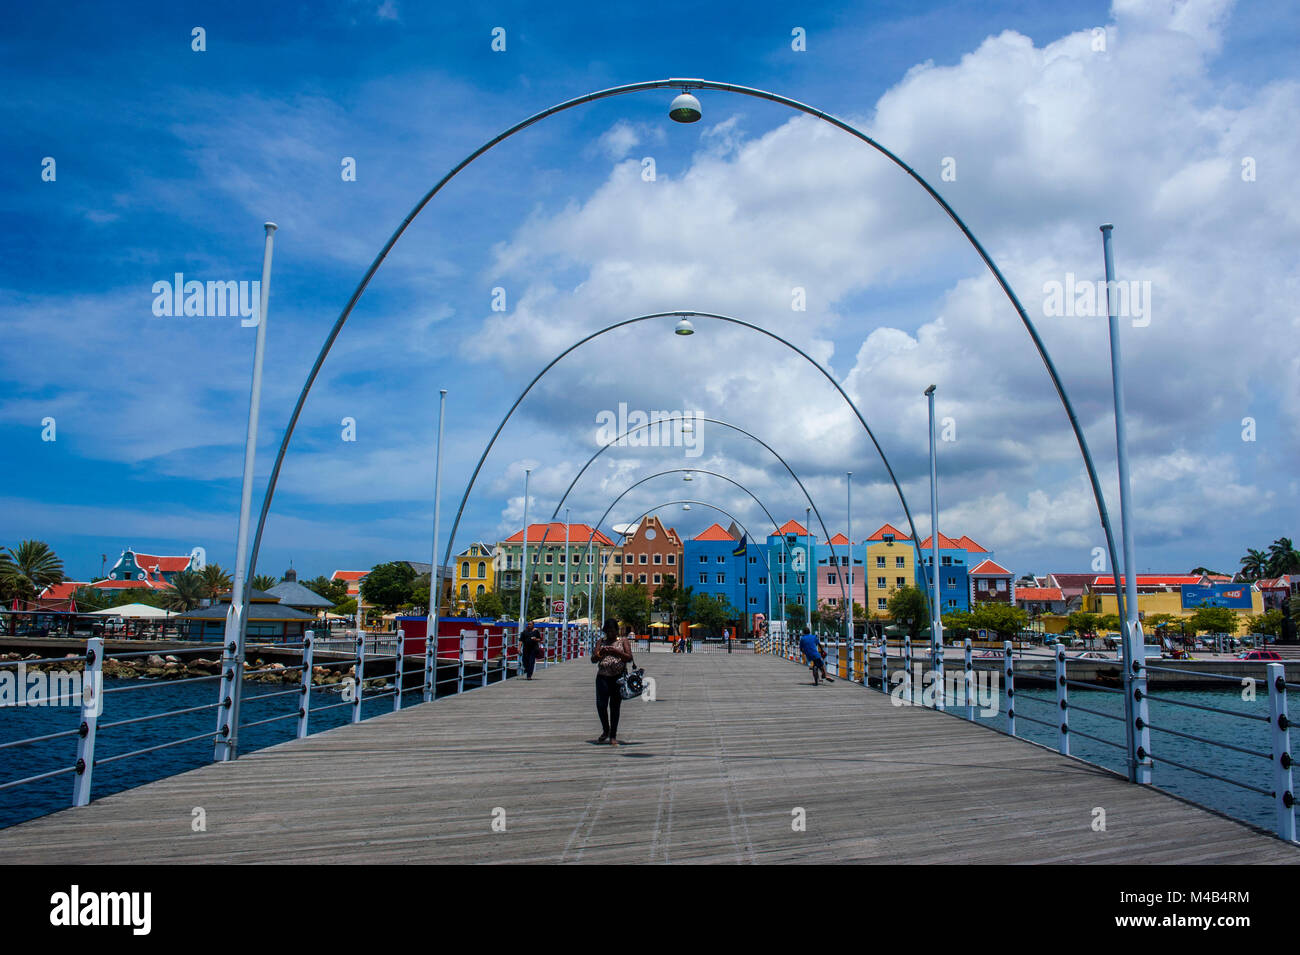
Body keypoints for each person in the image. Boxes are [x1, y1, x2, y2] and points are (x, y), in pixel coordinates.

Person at [591, 618, 634, 745]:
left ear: (617, 631)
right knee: (601, 705)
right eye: (608, 631)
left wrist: (616, 651)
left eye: (613, 631)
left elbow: (629, 658)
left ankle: (613, 735)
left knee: (615, 707)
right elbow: (593, 659)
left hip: (617, 677)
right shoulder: (601, 642)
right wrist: (601, 653)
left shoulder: (623, 641)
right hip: (602, 676)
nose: (610, 634)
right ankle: (606, 729)